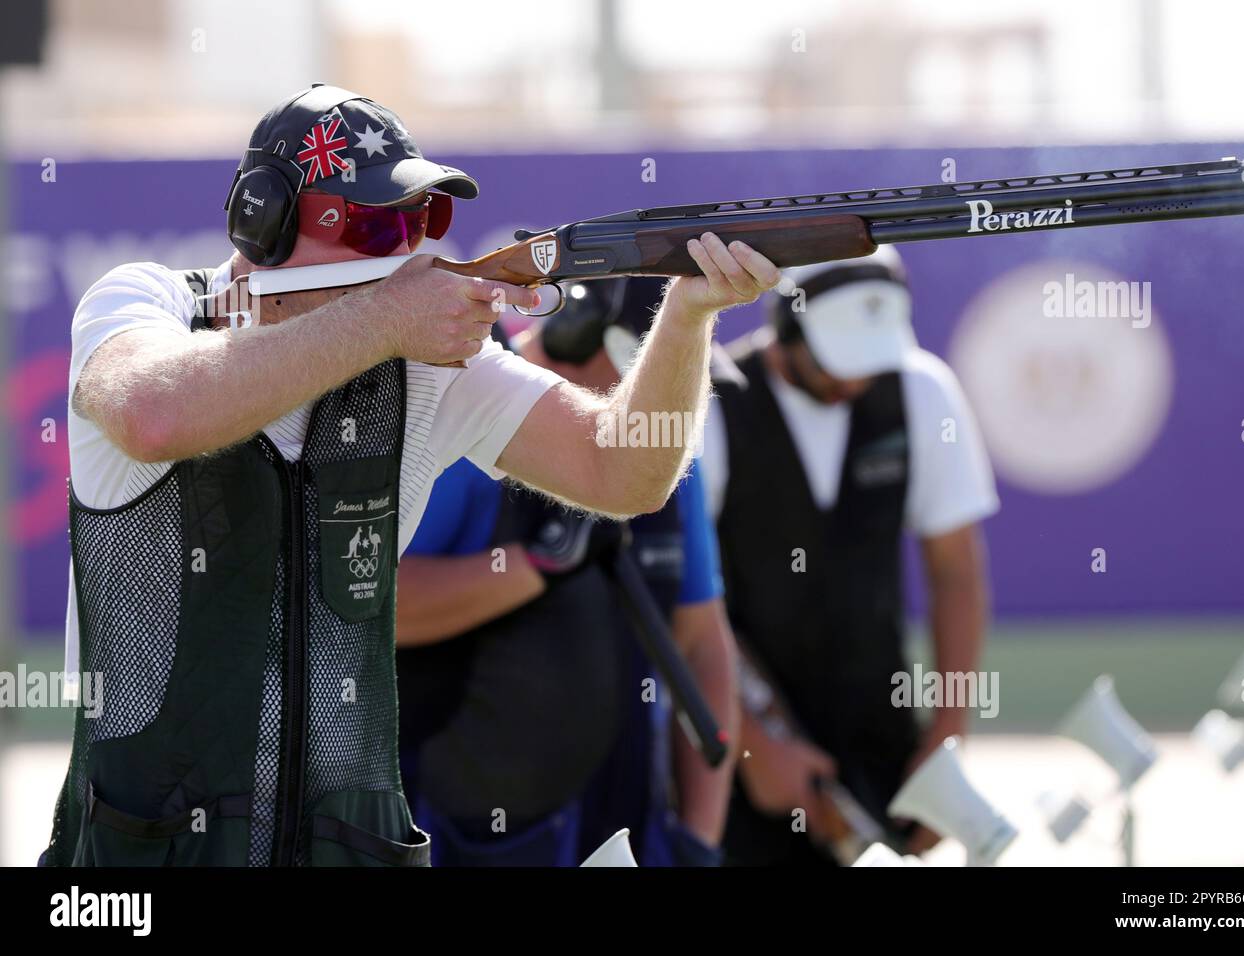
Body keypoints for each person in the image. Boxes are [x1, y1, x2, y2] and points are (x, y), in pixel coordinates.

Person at [42, 83, 778, 867]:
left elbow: (624, 471)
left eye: (423, 219)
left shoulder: (423, 368)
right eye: (379, 224)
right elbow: (155, 417)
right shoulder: (143, 304)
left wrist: (689, 315)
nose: (410, 249)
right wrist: (385, 318)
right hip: (143, 857)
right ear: (266, 220)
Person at [395, 277, 738, 866]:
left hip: (626, 830)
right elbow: (377, 609)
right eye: (649, 366)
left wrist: (700, 838)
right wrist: (535, 567)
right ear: (571, 336)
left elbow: (702, 639)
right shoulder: (467, 427)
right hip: (462, 835)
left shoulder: (662, 451)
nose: (660, 392)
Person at [701, 246, 999, 866]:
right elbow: (682, 605)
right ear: (785, 325)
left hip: (881, 736)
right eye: (839, 359)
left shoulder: (921, 390)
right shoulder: (710, 402)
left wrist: (946, 736)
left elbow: (957, 574)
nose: (857, 379)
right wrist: (753, 745)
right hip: (735, 755)